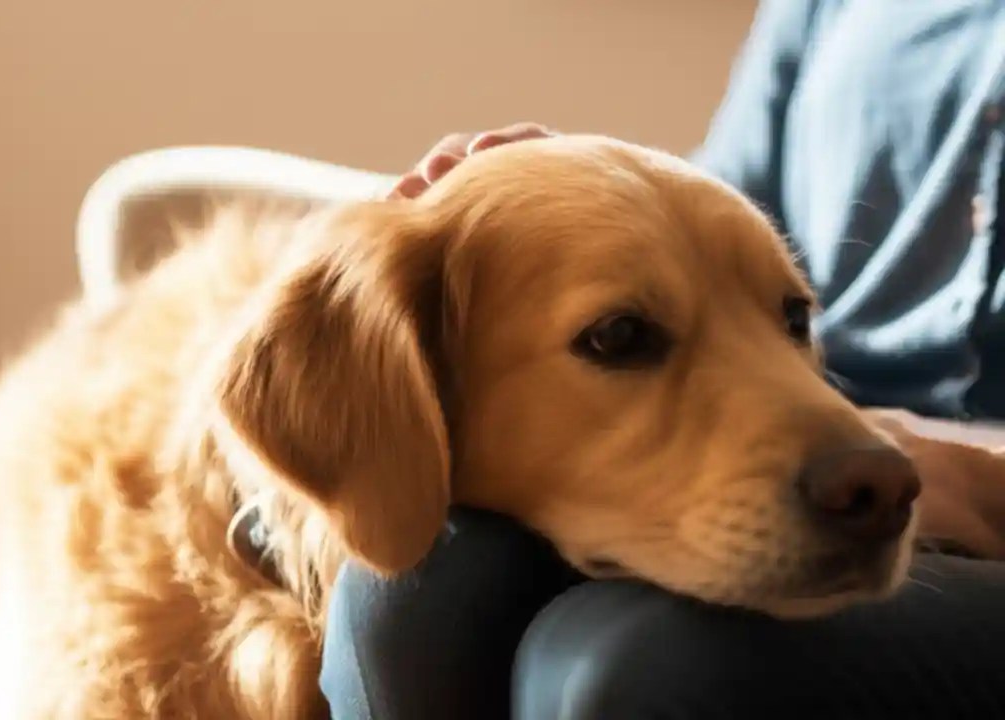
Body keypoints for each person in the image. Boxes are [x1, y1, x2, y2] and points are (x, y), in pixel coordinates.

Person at [319, 2, 1005, 718]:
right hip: (871, 455)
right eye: (621, 338)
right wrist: (559, 206)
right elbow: (726, 256)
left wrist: (969, 478)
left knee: (640, 665)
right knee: (414, 596)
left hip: (931, 488)